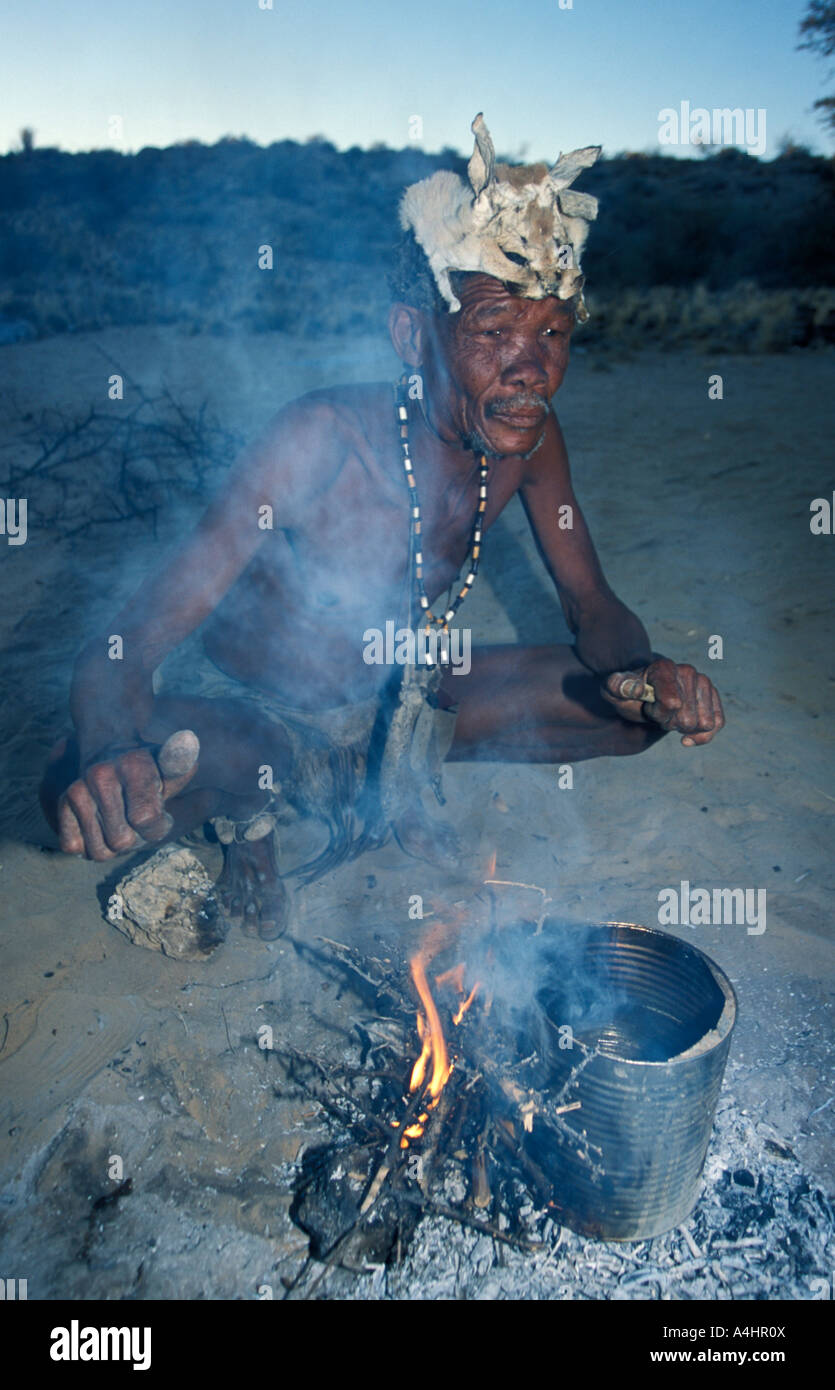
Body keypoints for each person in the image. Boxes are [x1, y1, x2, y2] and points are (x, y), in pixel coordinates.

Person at [40, 115, 724, 941]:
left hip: (408, 699)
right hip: (260, 714)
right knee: (76, 792)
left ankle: (393, 780)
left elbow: (592, 607)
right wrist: (111, 742)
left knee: (626, 720)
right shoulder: (318, 439)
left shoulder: (530, 439)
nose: (531, 366)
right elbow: (127, 642)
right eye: (491, 330)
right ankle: (251, 826)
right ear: (413, 337)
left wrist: (644, 674)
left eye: (551, 332)